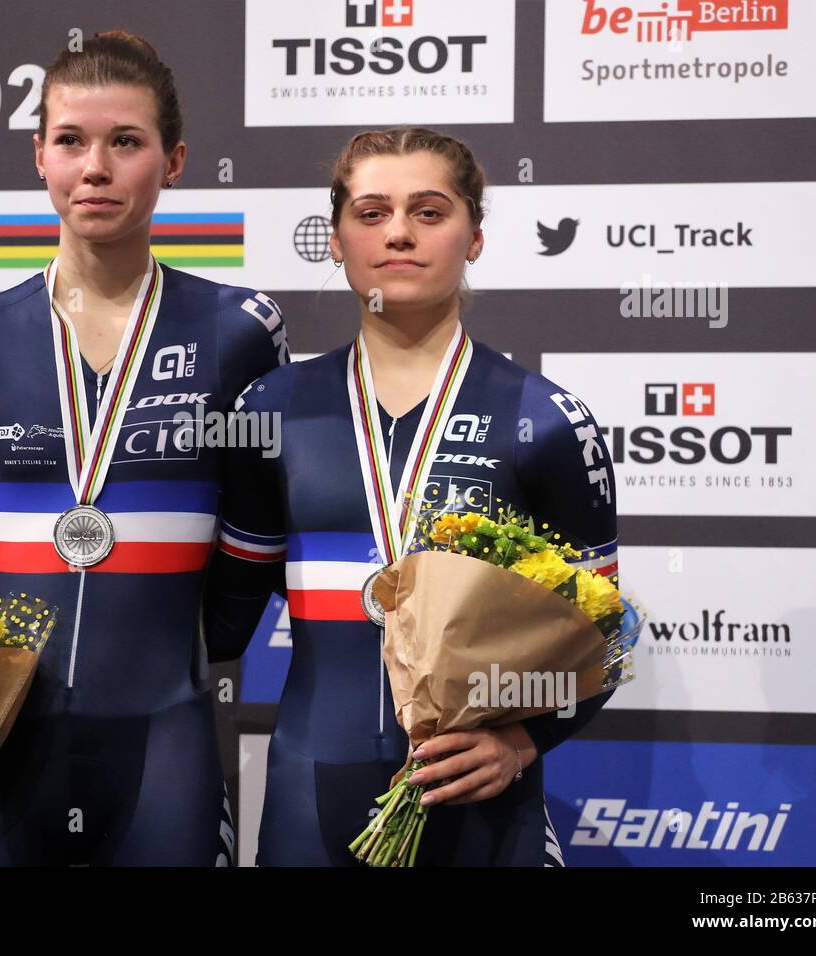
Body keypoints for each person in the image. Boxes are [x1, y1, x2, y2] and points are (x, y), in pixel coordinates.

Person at [0, 30, 288, 867]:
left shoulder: (241, 332)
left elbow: (256, 547)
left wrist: (188, 652)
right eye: (71, 140)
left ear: (174, 161)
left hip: (167, 741)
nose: (95, 168)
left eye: (126, 142)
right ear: (40, 155)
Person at [205, 127, 619, 866]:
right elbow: (221, 620)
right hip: (308, 800)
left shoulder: (549, 420)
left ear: (475, 237)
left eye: (429, 212)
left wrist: (522, 740)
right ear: (336, 240)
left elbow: (605, 639)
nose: (398, 232)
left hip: (483, 811)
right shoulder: (272, 412)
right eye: (372, 213)